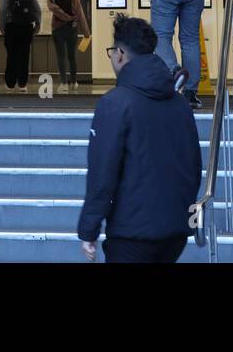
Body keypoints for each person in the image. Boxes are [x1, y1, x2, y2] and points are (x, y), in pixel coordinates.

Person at [78, 15, 202, 263]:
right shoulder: (179, 103)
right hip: (175, 232)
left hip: (131, 235)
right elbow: (193, 164)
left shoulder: (115, 103)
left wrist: (88, 229)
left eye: (112, 51)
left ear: (120, 54)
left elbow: (102, 174)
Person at [0, 0, 40, 92]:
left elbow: (2, 11)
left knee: (11, 56)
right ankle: (22, 84)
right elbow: (37, 11)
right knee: (24, 55)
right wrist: (37, 26)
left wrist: (2, 27)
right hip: (26, 28)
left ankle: (10, 84)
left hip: (11, 27)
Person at [47, 0, 90, 94]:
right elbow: (80, 13)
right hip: (72, 28)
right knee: (72, 56)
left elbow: (53, 9)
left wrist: (64, 16)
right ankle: (74, 81)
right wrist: (86, 32)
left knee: (61, 57)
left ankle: (64, 83)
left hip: (57, 28)